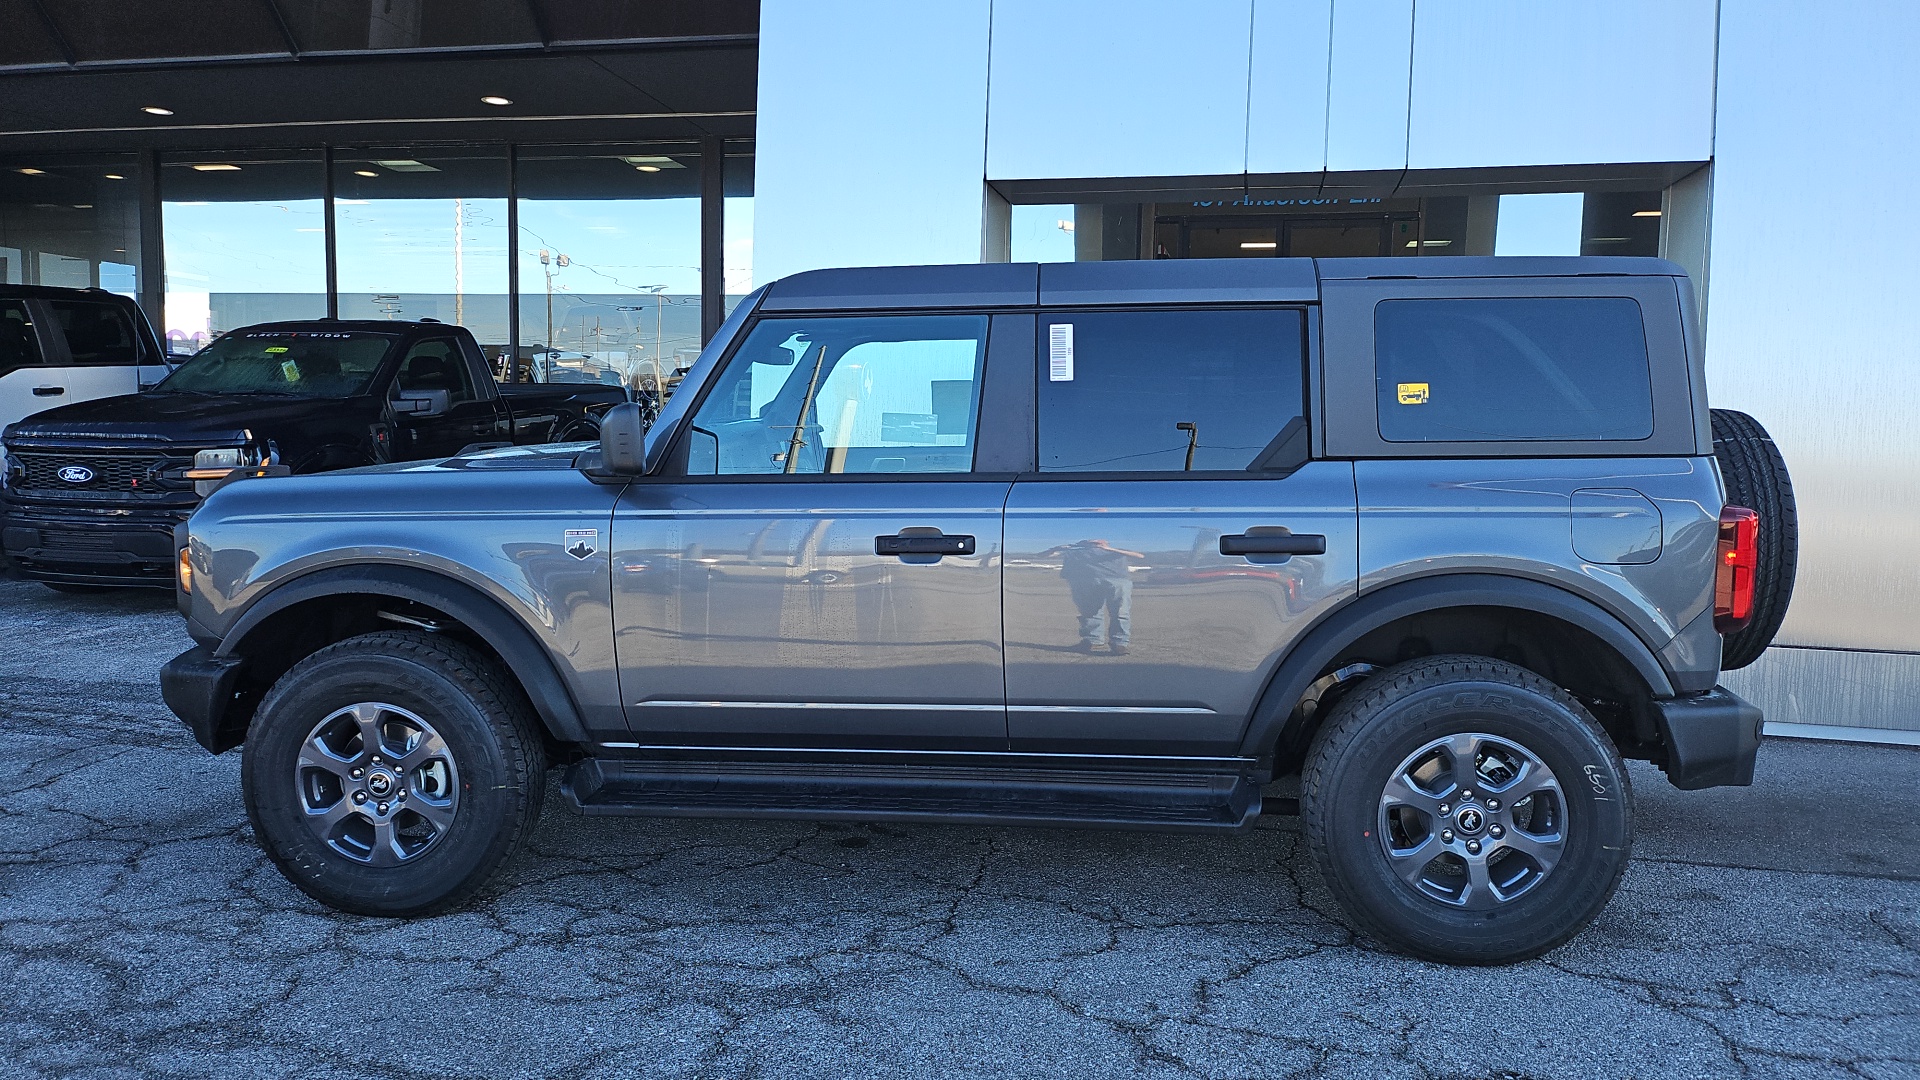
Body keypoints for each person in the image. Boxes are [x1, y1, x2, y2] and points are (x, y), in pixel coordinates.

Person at [1045, 538, 1144, 655]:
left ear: (1106, 543)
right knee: (1090, 611)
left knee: (1120, 612)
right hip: (1087, 581)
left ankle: (1119, 643)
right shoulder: (1076, 552)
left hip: (1117, 580)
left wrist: (1108, 549)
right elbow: (1045, 555)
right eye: (1092, 542)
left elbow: (1139, 556)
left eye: (1099, 542)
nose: (1096, 544)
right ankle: (1093, 640)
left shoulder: (1116, 551)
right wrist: (1059, 548)